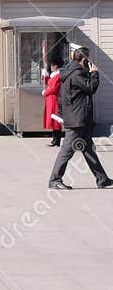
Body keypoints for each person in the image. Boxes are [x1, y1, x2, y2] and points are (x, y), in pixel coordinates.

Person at [49, 47, 110, 190]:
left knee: (89, 150)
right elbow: (90, 88)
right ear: (83, 59)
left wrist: (63, 113)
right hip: (78, 120)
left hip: (78, 118)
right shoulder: (77, 74)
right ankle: (54, 180)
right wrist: (94, 74)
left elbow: (61, 97)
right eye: (87, 59)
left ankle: (102, 179)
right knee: (66, 151)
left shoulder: (69, 72)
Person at [44, 60, 64, 148]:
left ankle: (56, 140)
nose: (51, 67)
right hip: (51, 99)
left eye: (52, 65)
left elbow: (54, 89)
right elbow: (49, 84)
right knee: (53, 120)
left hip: (54, 99)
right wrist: (45, 76)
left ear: (56, 66)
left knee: (56, 121)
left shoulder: (58, 76)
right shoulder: (54, 75)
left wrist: (45, 92)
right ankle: (55, 139)